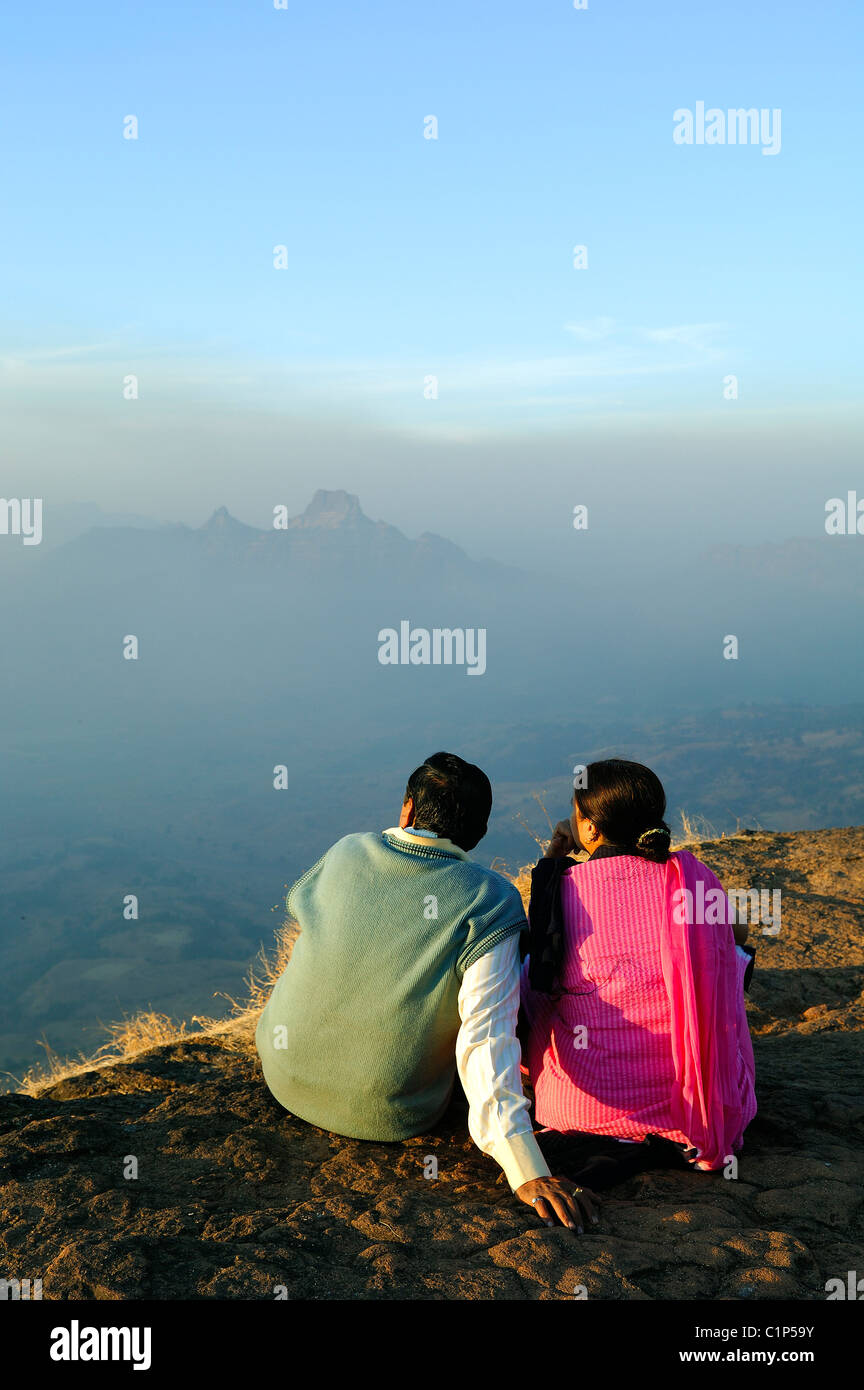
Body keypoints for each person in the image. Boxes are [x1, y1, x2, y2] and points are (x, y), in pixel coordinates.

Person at [256, 751, 600, 1233]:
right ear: (477, 834)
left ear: (407, 809)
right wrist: (527, 1170)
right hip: (386, 1109)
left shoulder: (347, 850)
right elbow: (486, 1034)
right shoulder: (489, 898)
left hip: (283, 1069)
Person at [520, 759, 757, 1173]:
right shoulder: (688, 878)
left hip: (586, 1113)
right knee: (729, 960)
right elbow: (735, 937)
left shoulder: (561, 890)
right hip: (696, 1111)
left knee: (525, 976)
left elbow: (540, 972)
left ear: (589, 828)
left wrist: (557, 850)